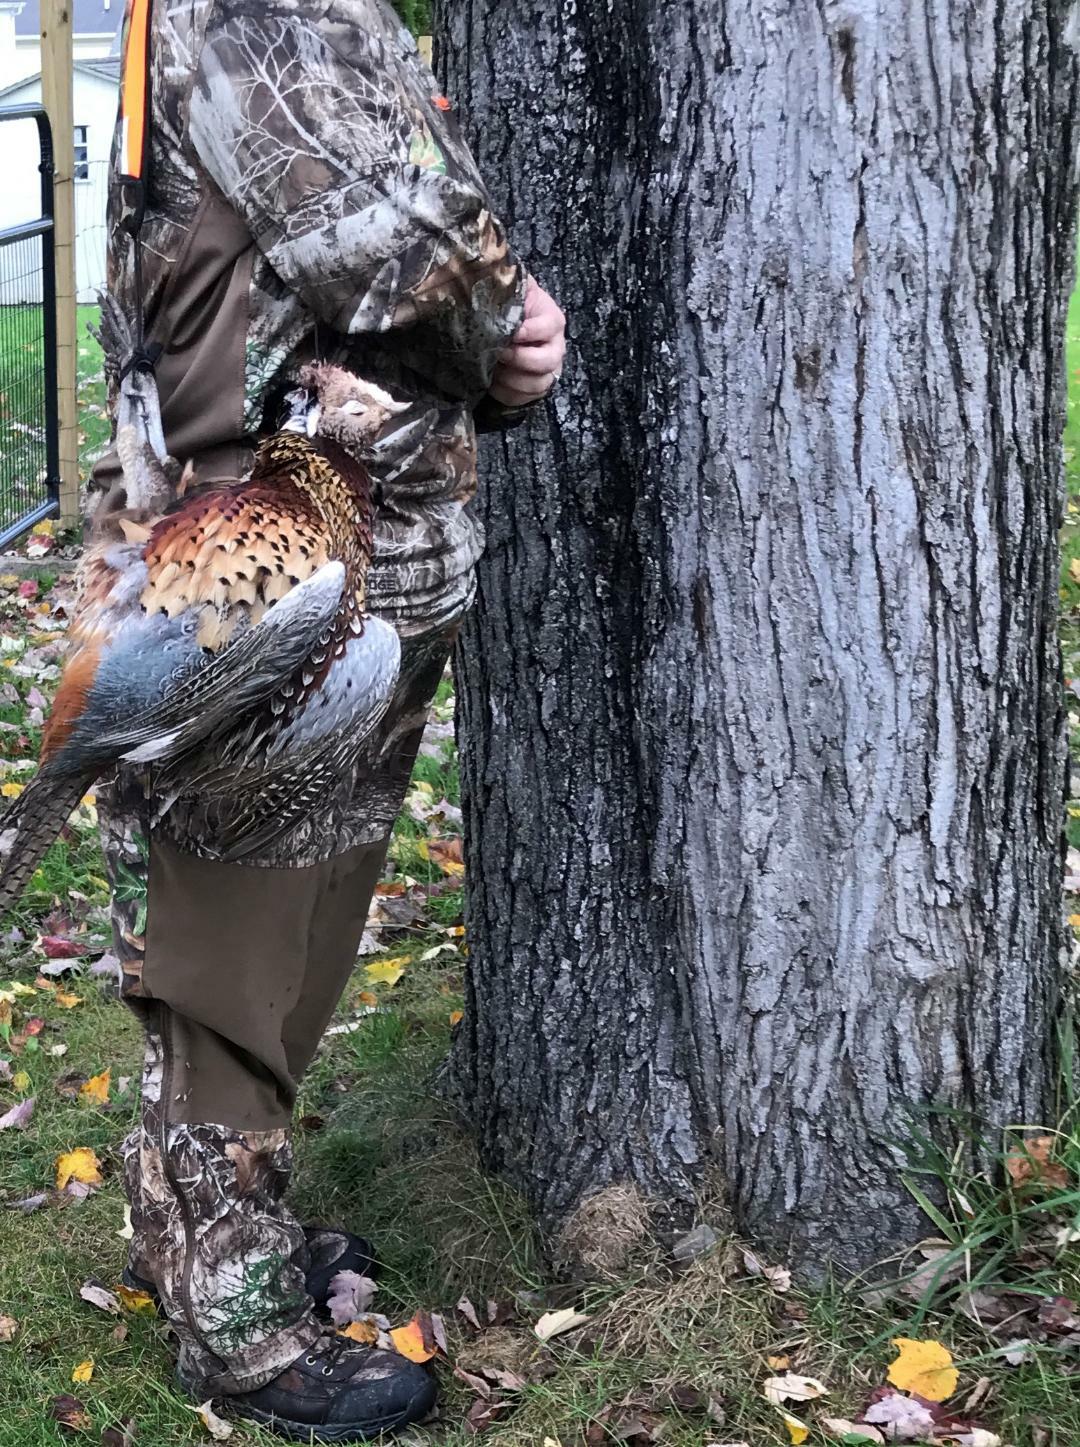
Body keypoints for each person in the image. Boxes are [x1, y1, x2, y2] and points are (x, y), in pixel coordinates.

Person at [88, 1, 566, 1439]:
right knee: (226, 939)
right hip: (265, 553)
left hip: (333, 539)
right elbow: (387, 231)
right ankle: (232, 1315)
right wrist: (505, 322)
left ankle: (210, 1230)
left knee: (292, 911)